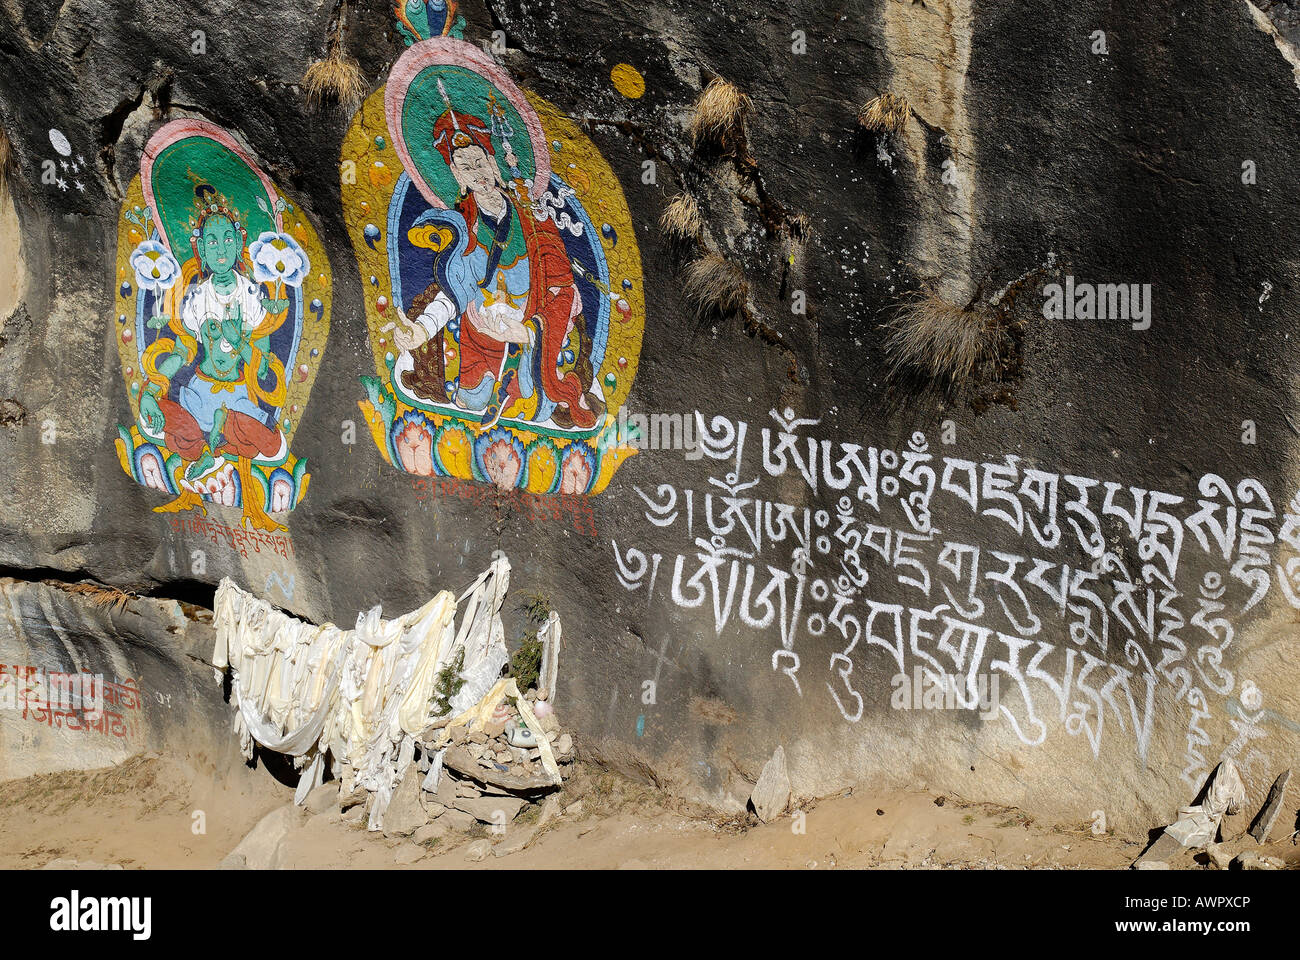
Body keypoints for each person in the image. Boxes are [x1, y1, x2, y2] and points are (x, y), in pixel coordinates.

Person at [387, 105, 604, 430]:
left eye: (480, 162)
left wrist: (530, 331)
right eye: (465, 168)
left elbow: (562, 292)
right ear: (457, 176)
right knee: (472, 403)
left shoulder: (536, 223)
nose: (477, 173)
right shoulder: (463, 229)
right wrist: (421, 330)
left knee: (529, 408)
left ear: (493, 163)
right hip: (478, 341)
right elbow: (455, 293)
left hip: (526, 344)